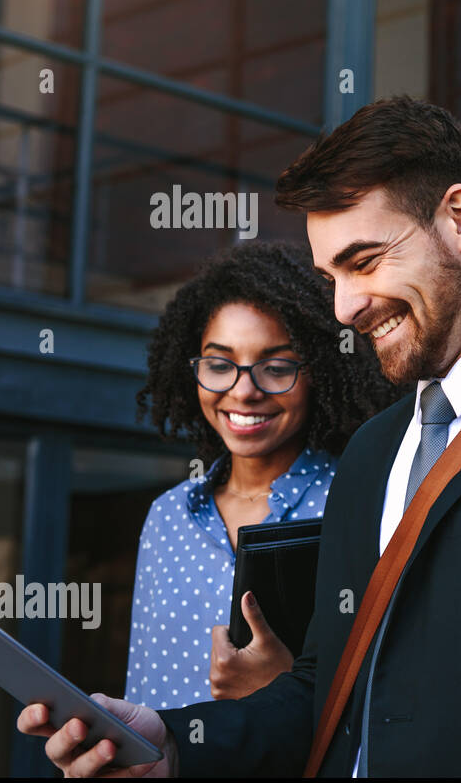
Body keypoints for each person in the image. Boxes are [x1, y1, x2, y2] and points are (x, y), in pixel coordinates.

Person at [19, 95, 461, 777]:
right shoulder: (373, 452)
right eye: (330, 274)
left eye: (364, 261)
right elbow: (324, 687)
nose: (344, 307)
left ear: (460, 218)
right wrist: (174, 743)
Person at [127, 241, 397, 708]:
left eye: (275, 367)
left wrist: (286, 686)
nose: (243, 390)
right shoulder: (166, 517)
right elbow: (144, 687)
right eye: (219, 364)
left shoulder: (361, 501)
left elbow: (392, 698)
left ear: (320, 373)